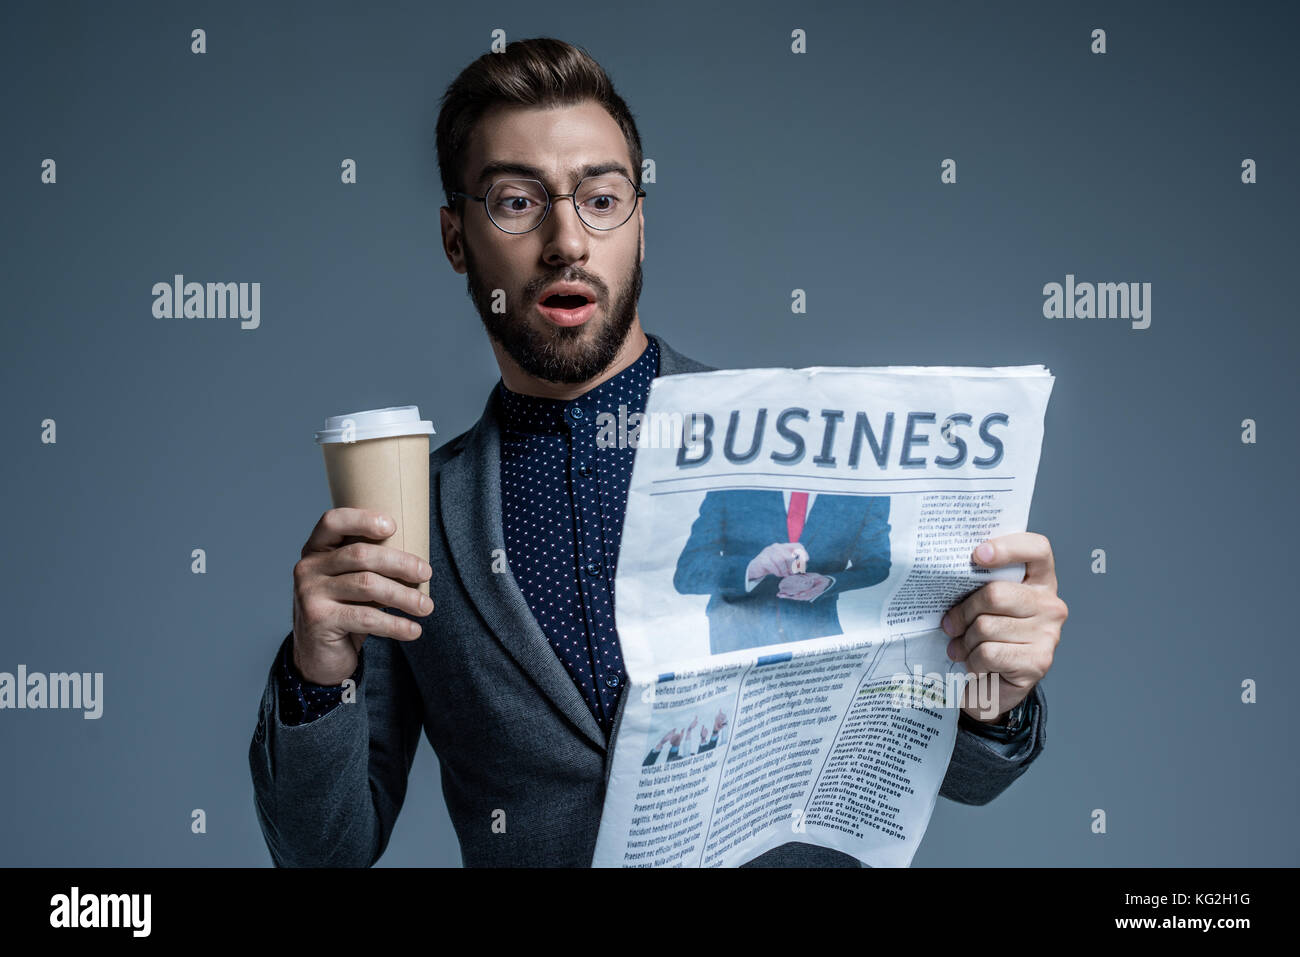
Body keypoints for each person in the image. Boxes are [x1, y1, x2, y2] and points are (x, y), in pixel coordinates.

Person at [248, 37, 1067, 869]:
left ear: (639, 224)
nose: (567, 240)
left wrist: (992, 693)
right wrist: (319, 668)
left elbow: (959, 773)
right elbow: (324, 850)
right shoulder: (413, 524)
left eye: (601, 198)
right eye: (517, 202)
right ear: (457, 240)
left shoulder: (798, 450)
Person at [674, 490, 892, 654]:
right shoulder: (733, 486)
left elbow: (876, 564)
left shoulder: (865, 492)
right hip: (739, 640)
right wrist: (751, 568)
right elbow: (687, 573)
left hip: (817, 640)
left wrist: (829, 582)